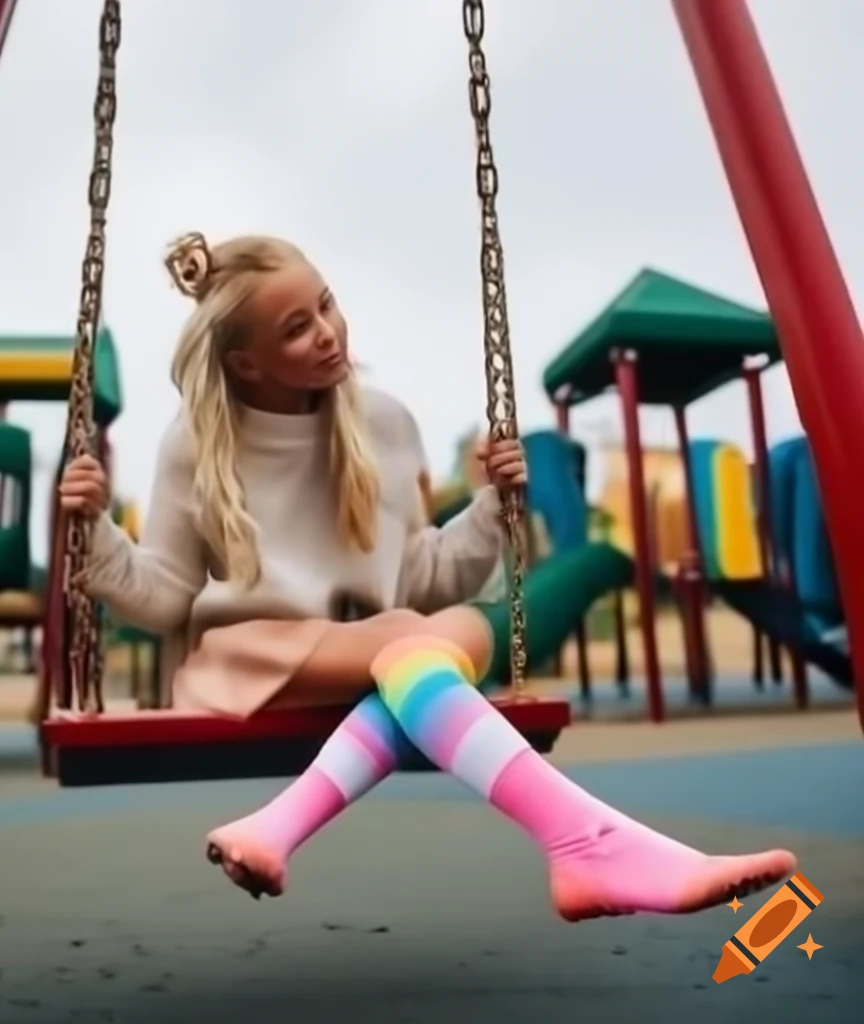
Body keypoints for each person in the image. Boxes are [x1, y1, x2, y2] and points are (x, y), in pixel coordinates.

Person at [62, 231, 795, 920]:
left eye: (327, 304)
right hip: (250, 657)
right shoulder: (195, 442)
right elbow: (162, 595)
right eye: (295, 328)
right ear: (247, 363)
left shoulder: (382, 421)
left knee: (445, 630)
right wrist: (91, 529)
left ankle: (278, 827)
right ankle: (584, 843)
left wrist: (489, 507)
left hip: (385, 648)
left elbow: (421, 573)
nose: (327, 331)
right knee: (413, 642)